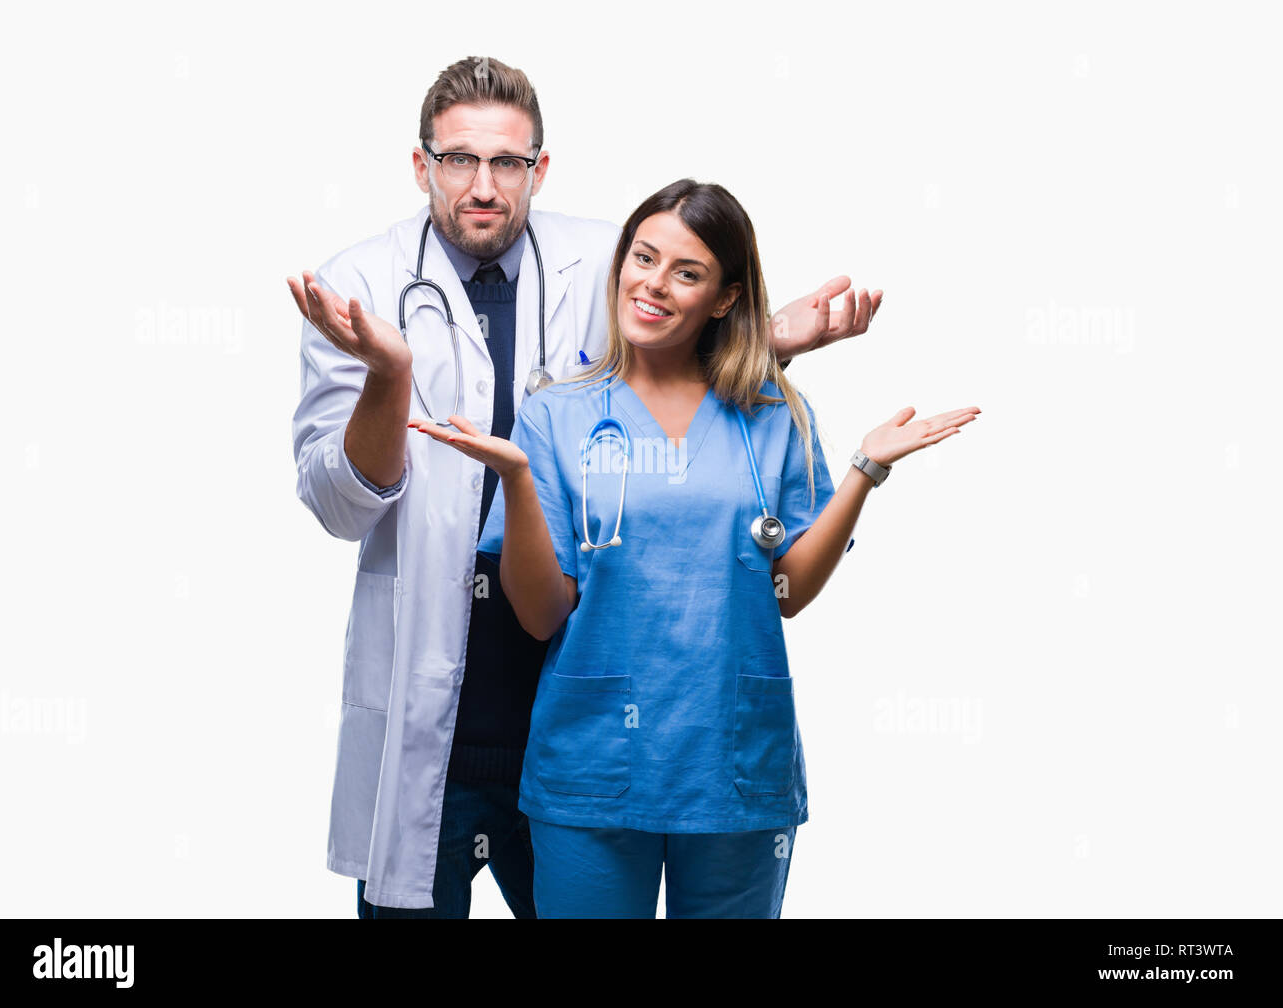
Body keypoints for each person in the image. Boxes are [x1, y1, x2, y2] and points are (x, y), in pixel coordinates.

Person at [288, 57, 885, 915]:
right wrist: (390, 374)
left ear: (541, 168)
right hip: (438, 720)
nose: (484, 184)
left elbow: (681, 358)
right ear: (422, 166)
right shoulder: (357, 286)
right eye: (459, 159)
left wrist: (770, 338)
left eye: (509, 162)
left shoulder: (607, 259)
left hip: (585, 717)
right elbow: (340, 505)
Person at [416, 179, 980, 918]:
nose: (653, 283)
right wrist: (518, 481)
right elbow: (540, 616)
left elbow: (790, 594)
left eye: (686, 272)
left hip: (734, 769)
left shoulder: (773, 411)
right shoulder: (556, 415)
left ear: (723, 298)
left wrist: (863, 472)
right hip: (593, 768)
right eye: (643, 257)